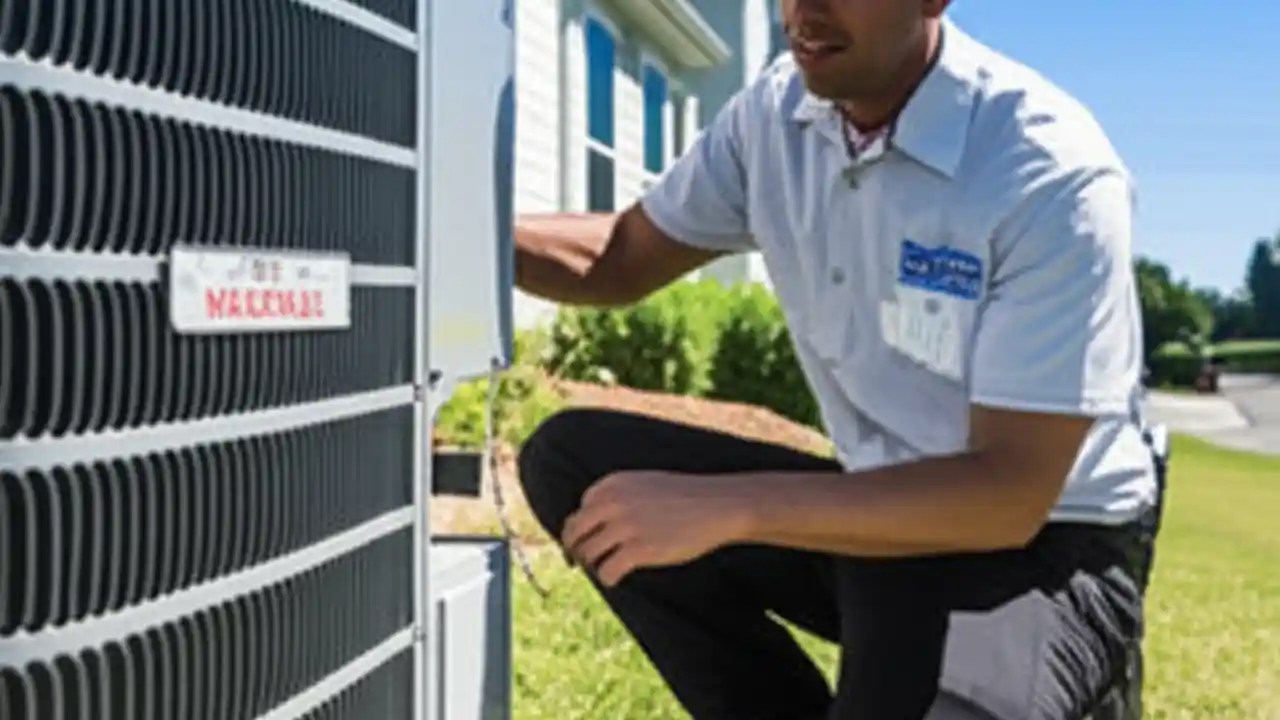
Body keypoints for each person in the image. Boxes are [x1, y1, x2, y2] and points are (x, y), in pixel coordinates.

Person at [513, 1, 1162, 718]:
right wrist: (445, 223)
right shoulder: (774, 117)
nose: (803, 12)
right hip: (876, 511)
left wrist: (728, 508)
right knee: (576, 463)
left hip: (1041, 549)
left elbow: (1009, 494)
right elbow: (621, 257)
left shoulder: (1046, 170)